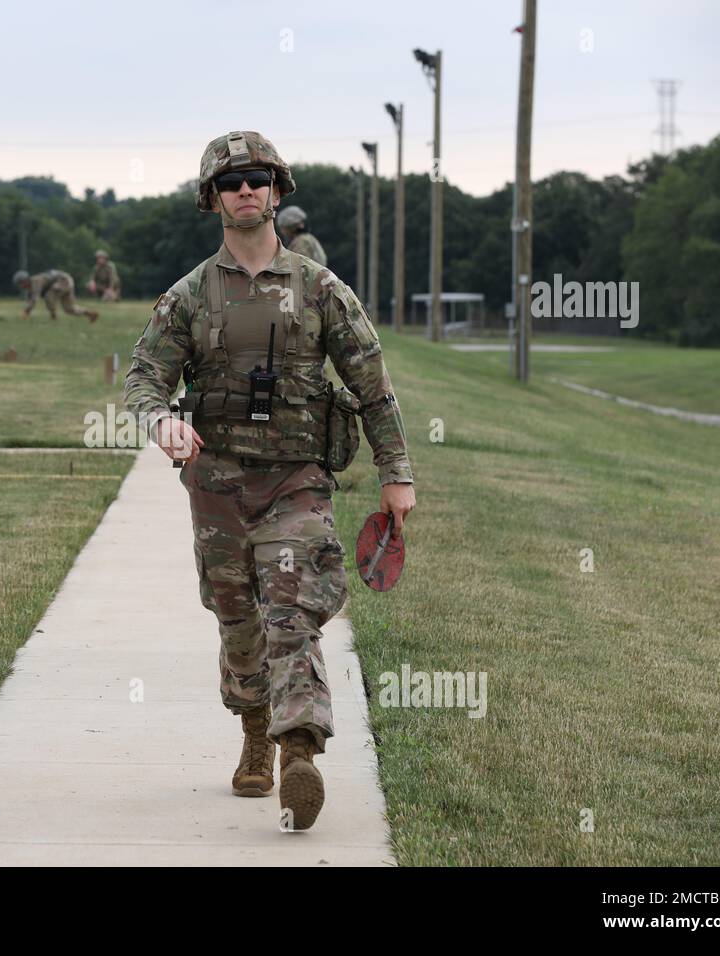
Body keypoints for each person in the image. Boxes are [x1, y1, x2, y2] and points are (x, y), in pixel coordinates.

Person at [124, 131, 415, 831]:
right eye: (231, 182)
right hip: (218, 486)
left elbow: (373, 387)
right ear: (212, 200)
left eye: (257, 178)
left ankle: (299, 749)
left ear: (277, 190)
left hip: (297, 482)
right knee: (240, 623)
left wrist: (396, 473)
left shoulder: (319, 289)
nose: (246, 189)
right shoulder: (190, 296)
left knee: (292, 608)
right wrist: (160, 420)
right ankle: (255, 728)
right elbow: (144, 377)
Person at [14, 268, 98, 323]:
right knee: (69, 309)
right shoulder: (32, 285)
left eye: (20, 283)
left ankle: (53, 317)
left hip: (63, 281)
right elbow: (31, 298)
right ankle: (90, 314)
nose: (20, 286)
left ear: (25, 281)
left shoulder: (36, 281)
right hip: (66, 281)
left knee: (48, 296)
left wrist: (26, 311)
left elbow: (35, 298)